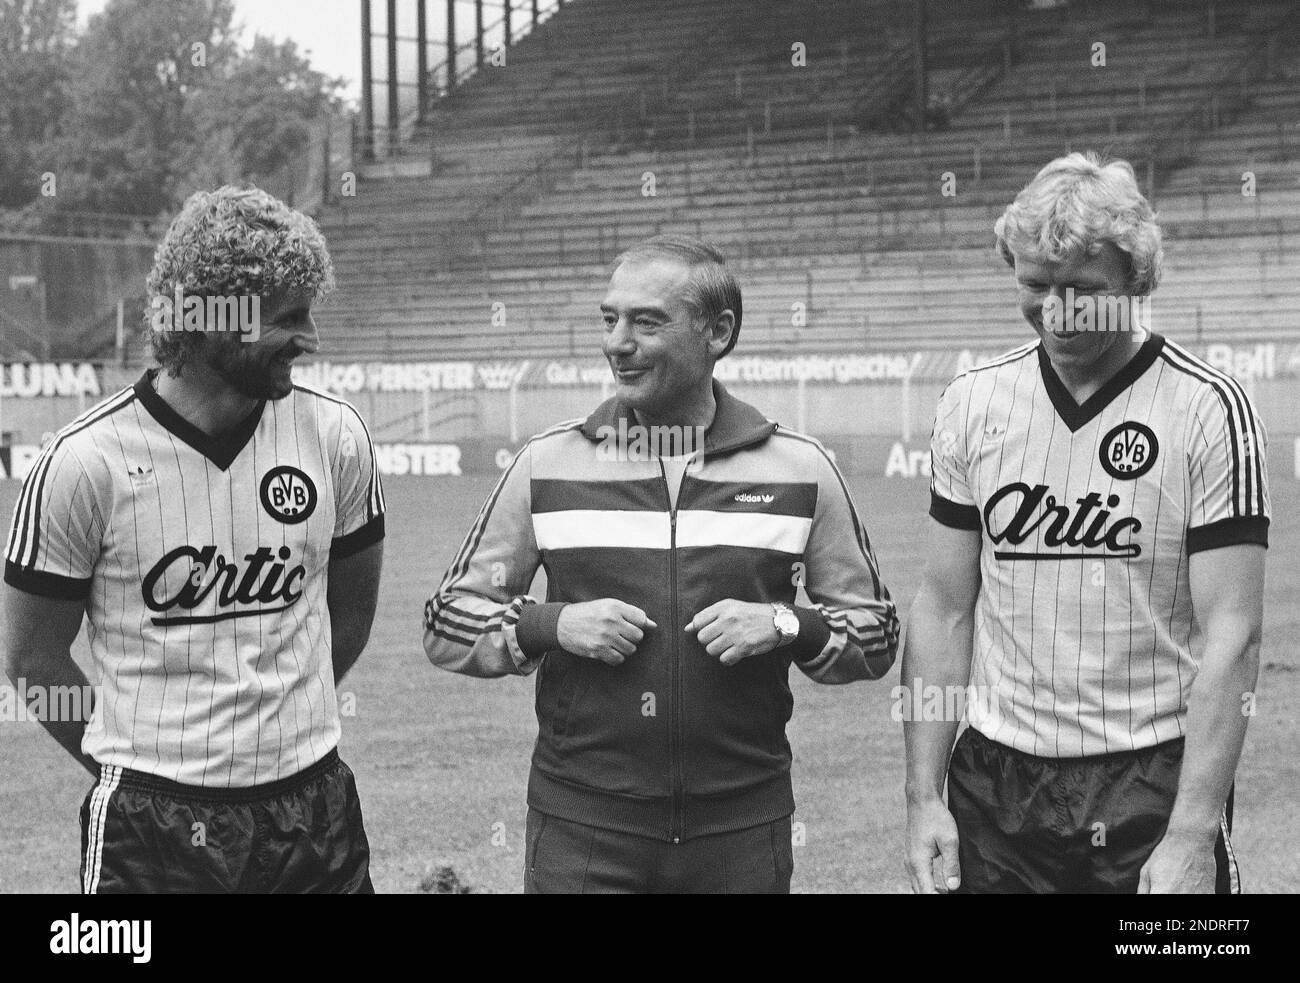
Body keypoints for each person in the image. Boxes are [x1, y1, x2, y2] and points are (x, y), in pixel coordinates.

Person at [424, 234, 899, 894]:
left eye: (647, 321)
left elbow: (877, 635)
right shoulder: (547, 464)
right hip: (582, 829)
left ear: (719, 331)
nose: (617, 342)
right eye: (609, 318)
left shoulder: (798, 469)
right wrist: (548, 624)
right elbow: (447, 623)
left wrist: (787, 624)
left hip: (742, 831)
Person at [2, 185, 386, 893]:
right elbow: (31, 654)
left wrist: (275, 732)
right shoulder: (84, 462)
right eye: (289, 317)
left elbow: (351, 613)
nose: (311, 339)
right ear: (212, 320)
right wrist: (139, 769)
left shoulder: (336, 436)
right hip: (152, 830)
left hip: (313, 807)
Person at [903, 152, 1269, 894]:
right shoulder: (972, 402)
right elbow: (942, 607)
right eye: (1036, 286)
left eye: (1083, 289)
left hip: (1150, 775)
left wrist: (1194, 829)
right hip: (996, 779)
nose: (1058, 310)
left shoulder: (1207, 408)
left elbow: (1234, 631)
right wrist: (921, 798)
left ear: (1136, 282)